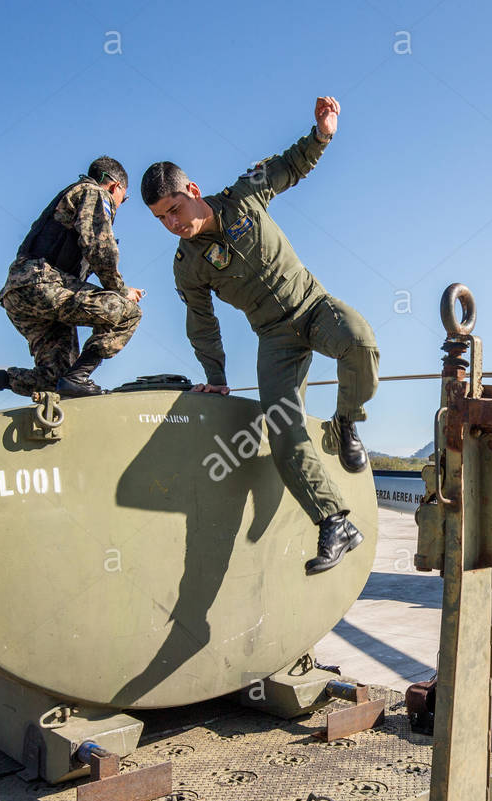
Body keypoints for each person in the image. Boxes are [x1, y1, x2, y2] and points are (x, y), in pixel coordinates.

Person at [141, 97, 380, 576]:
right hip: (274, 338)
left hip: (313, 306)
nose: (172, 224)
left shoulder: (244, 194)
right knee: (282, 428)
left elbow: (291, 165)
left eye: (174, 209)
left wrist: (323, 134)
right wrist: (216, 377)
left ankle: (346, 422)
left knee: (360, 342)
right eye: (161, 219)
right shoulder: (187, 266)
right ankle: (334, 521)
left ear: (192, 189)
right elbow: (201, 322)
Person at [0, 157, 145, 415]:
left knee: (54, 380)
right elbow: (100, 249)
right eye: (123, 199)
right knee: (128, 313)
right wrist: (120, 290)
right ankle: (79, 378)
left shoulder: (73, 197)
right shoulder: (94, 193)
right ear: (115, 187)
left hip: (22, 293)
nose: (119, 205)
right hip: (42, 284)